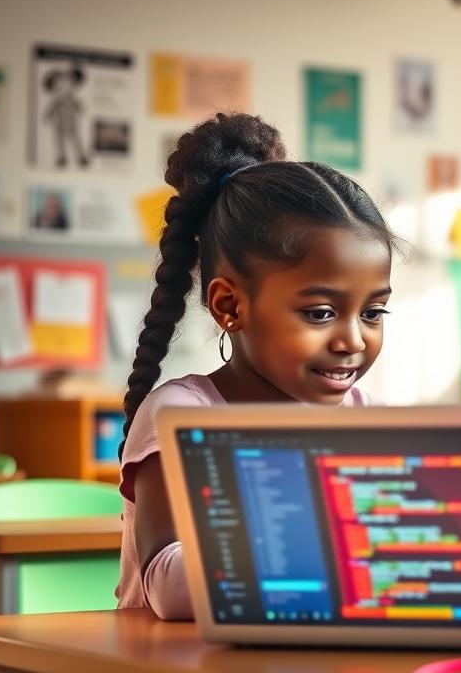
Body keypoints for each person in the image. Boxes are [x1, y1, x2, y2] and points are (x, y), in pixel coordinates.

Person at [117, 112, 398, 620]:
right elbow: (170, 586)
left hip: (320, 672)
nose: (354, 339)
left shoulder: (371, 420)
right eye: (320, 313)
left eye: (373, 312)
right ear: (229, 306)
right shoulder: (180, 416)